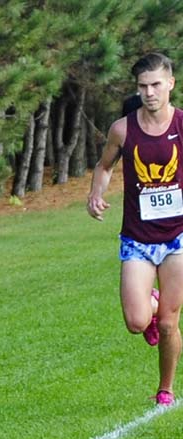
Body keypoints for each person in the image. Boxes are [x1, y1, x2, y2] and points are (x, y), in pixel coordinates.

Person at [88, 52, 183, 406]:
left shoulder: (182, 126)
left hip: (178, 238)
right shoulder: (123, 129)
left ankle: (166, 389)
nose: (150, 92)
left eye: (156, 84)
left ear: (171, 83)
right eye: (143, 86)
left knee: (171, 324)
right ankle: (152, 304)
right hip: (138, 240)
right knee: (135, 321)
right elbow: (104, 166)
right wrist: (96, 193)